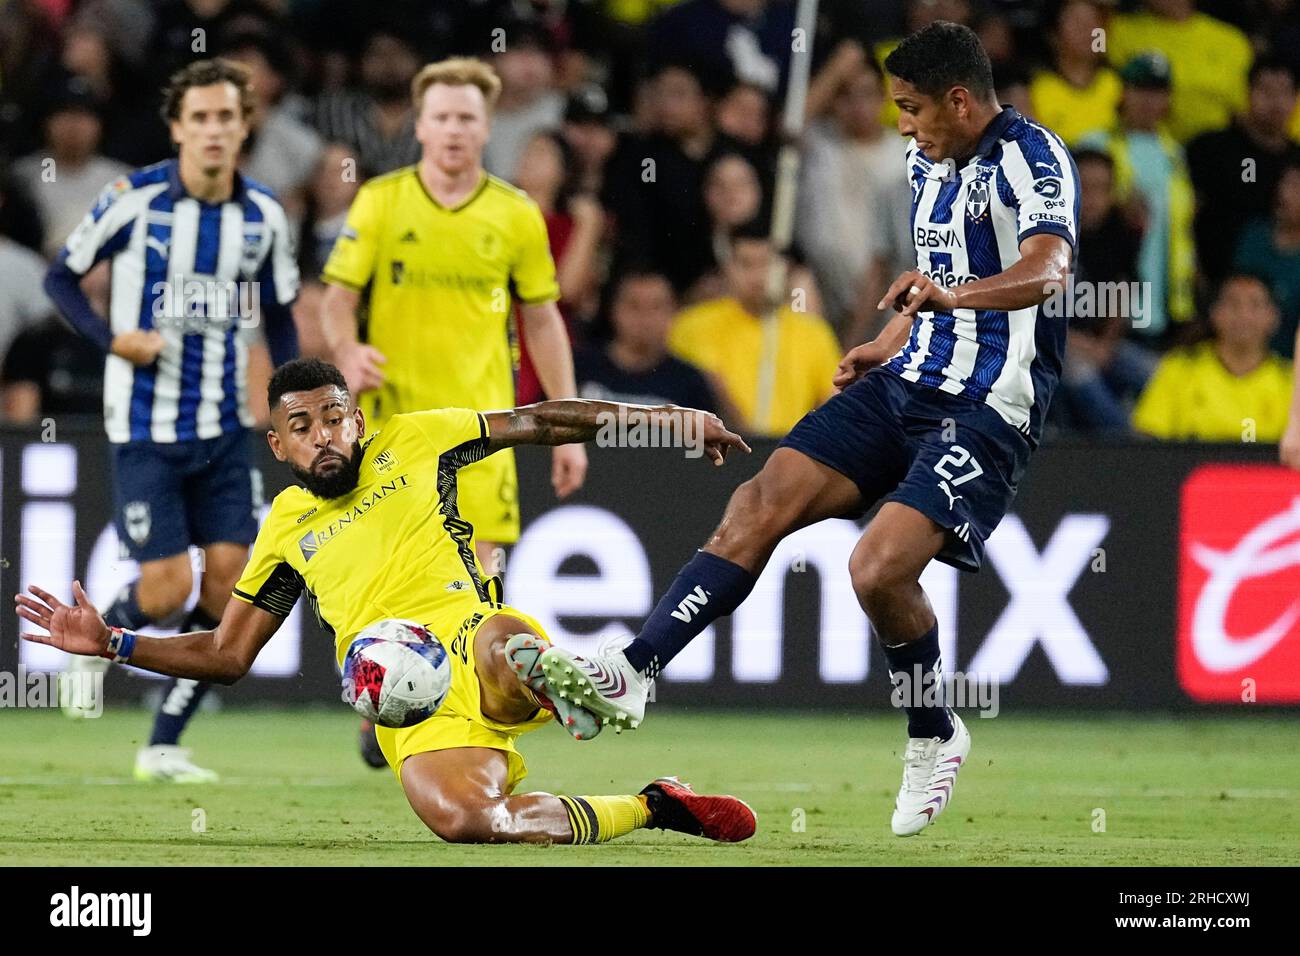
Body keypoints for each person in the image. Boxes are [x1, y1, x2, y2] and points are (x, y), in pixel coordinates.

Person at [535, 22, 1080, 838]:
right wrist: (889, 337)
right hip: (904, 379)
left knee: (875, 571)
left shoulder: (1033, 157)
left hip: (986, 406)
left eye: (912, 108)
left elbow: (1048, 268)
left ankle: (934, 730)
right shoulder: (926, 159)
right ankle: (633, 670)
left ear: (960, 100)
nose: (902, 124)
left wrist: (952, 303)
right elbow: (935, 275)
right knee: (762, 499)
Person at [15, 357, 757, 846]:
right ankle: (654, 805)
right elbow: (226, 654)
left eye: (335, 417)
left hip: (473, 640)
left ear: (358, 419)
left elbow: (544, 418)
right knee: (468, 820)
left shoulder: (418, 439)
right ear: (278, 447)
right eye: (301, 427)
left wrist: (667, 420)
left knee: (502, 641)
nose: (324, 436)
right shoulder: (284, 531)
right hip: (408, 702)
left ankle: (572, 678)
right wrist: (115, 642)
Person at [320, 57, 588, 764]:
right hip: (393, 434)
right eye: (440, 116)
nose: (453, 130)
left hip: (482, 435)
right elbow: (336, 299)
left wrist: (567, 428)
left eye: (467, 117)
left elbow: (543, 321)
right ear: (419, 124)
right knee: (397, 582)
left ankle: (458, 724)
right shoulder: (380, 201)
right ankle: (386, 696)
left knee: (480, 584)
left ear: (486, 125)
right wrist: (346, 349)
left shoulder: (515, 213)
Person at [42, 58, 300, 782]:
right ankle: (99, 641)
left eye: (228, 116)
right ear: (178, 127)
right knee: (164, 593)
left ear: (245, 125)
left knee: (228, 590)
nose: (215, 129)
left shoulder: (264, 216)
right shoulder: (134, 199)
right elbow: (60, 275)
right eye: (202, 118)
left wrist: (291, 402)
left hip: (224, 430)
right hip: (146, 428)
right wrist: (111, 340)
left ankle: (162, 745)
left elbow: (279, 313)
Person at [668, 221, 841, 438]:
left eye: (767, 263)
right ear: (727, 268)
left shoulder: (814, 333)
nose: (758, 276)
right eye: (746, 264)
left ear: (785, 267)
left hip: (790, 455)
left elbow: (834, 408)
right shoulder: (692, 325)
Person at [1079, 52, 1196, 342]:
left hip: (1166, 301)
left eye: (1157, 92)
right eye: (1140, 89)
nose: (1148, 101)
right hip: (1105, 298)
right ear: (1123, 92)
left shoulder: (1175, 154)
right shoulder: (1095, 144)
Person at [1133, 275, 1293, 441]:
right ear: (1215, 313)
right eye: (1233, 304)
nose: (1243, 315)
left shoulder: (1291, 381)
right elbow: (1148, 436)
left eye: (1255, 305)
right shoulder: (1181, 367)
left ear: (1273, 317)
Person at [1188, 58, 1300, 284]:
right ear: (1248, 93)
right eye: (1266, 91)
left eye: (1284, 92)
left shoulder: (1296, 160)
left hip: (1277, 294)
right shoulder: (1209, 148)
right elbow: (1185, 216)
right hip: (1209, 279)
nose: (1275, 102)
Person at [575, 270, 723, 413]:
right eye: (634, 306)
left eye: (656, 307)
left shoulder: (691, 382)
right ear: (613, 309)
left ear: (674, 311)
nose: (645, 318)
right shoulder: (580, 366)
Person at [1029, 0, 1122, 147]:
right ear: (1053, 34)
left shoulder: (1116, 84)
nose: (1090, 31)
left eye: (1095, 23)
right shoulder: (1037, 90)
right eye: (1078, 23)